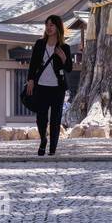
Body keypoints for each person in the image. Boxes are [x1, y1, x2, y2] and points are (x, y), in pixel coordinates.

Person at [26, 15, 73, 155]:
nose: (48, 27)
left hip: (58, 88)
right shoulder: (40, 44)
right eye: (47, 25)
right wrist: (30, 80)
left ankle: (52, 149)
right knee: (41, 117)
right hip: (41, 86)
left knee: (55, 119)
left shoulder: (64, 47)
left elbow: (69, 68)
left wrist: (63, 57)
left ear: (58, 27)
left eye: (52, 25)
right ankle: (43, 140)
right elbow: (33, 64)